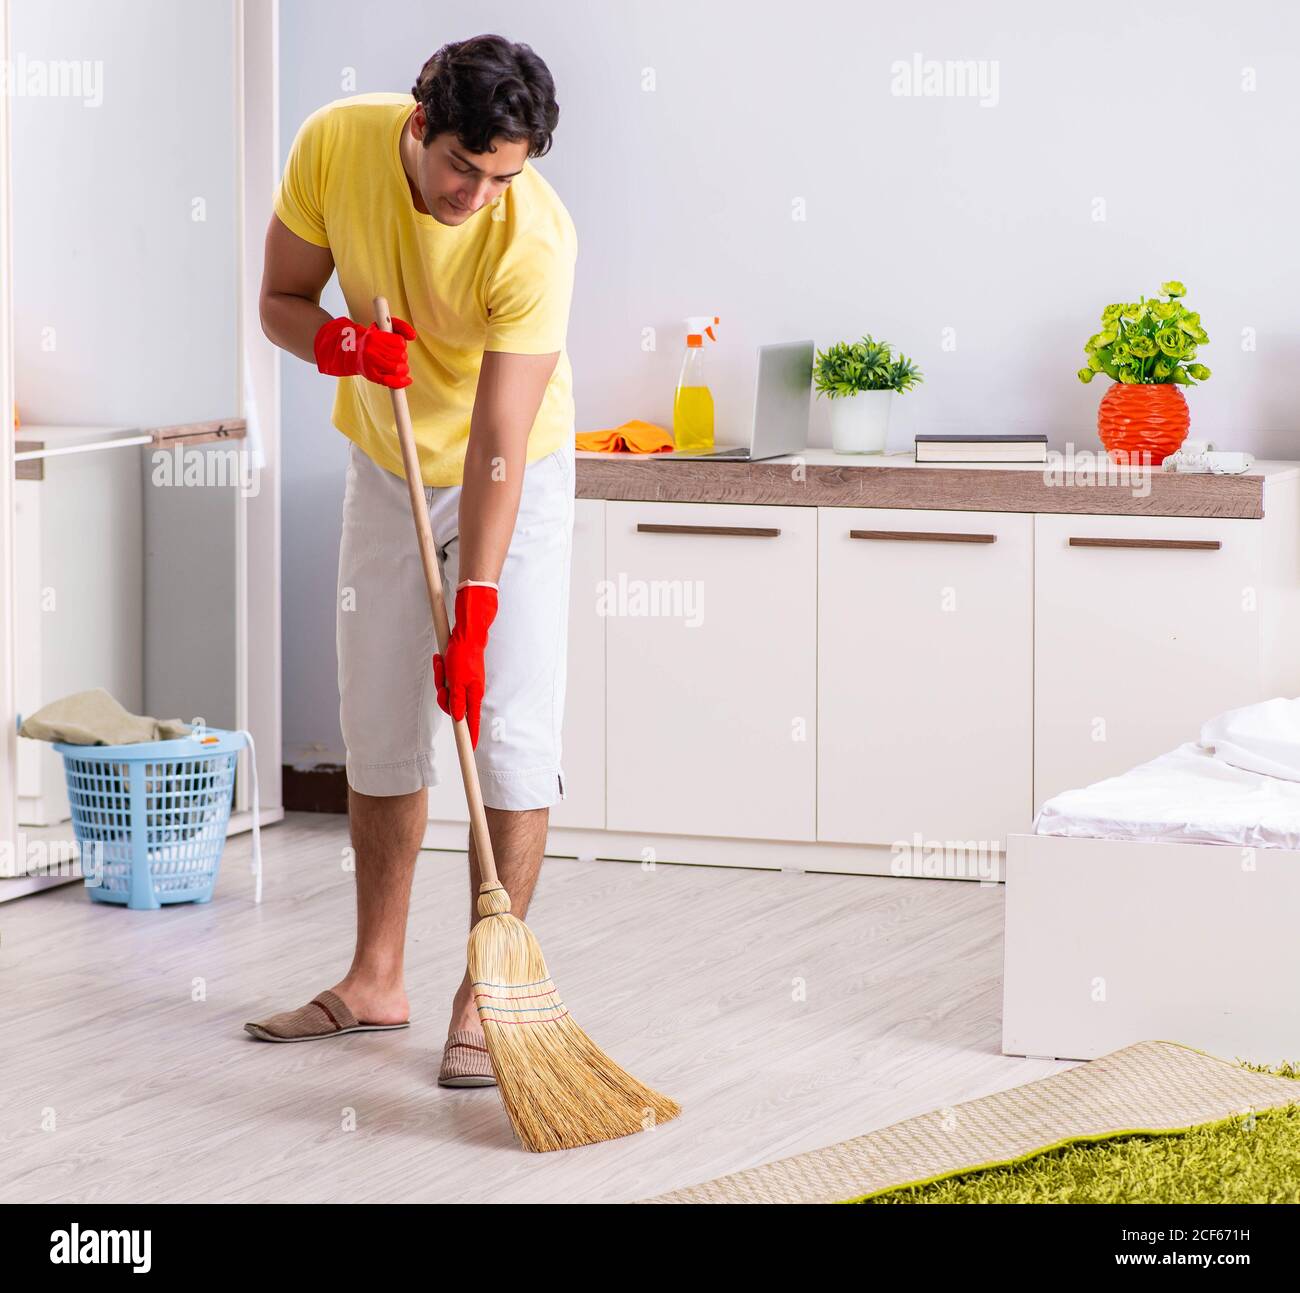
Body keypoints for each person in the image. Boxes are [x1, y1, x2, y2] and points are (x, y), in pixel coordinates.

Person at [245, 34, 577, 1088]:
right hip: (385, 461)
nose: (477, 196)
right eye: (461, 168)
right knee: (380, 726)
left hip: (504, 476)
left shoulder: (535, 236)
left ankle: (484, 996)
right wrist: (339, 346)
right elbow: (280, 301)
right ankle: (374, 978)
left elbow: (497, 440)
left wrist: (474, 603)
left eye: (501, 177)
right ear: (420, 122)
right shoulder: (335, 143)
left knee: (508, 735)